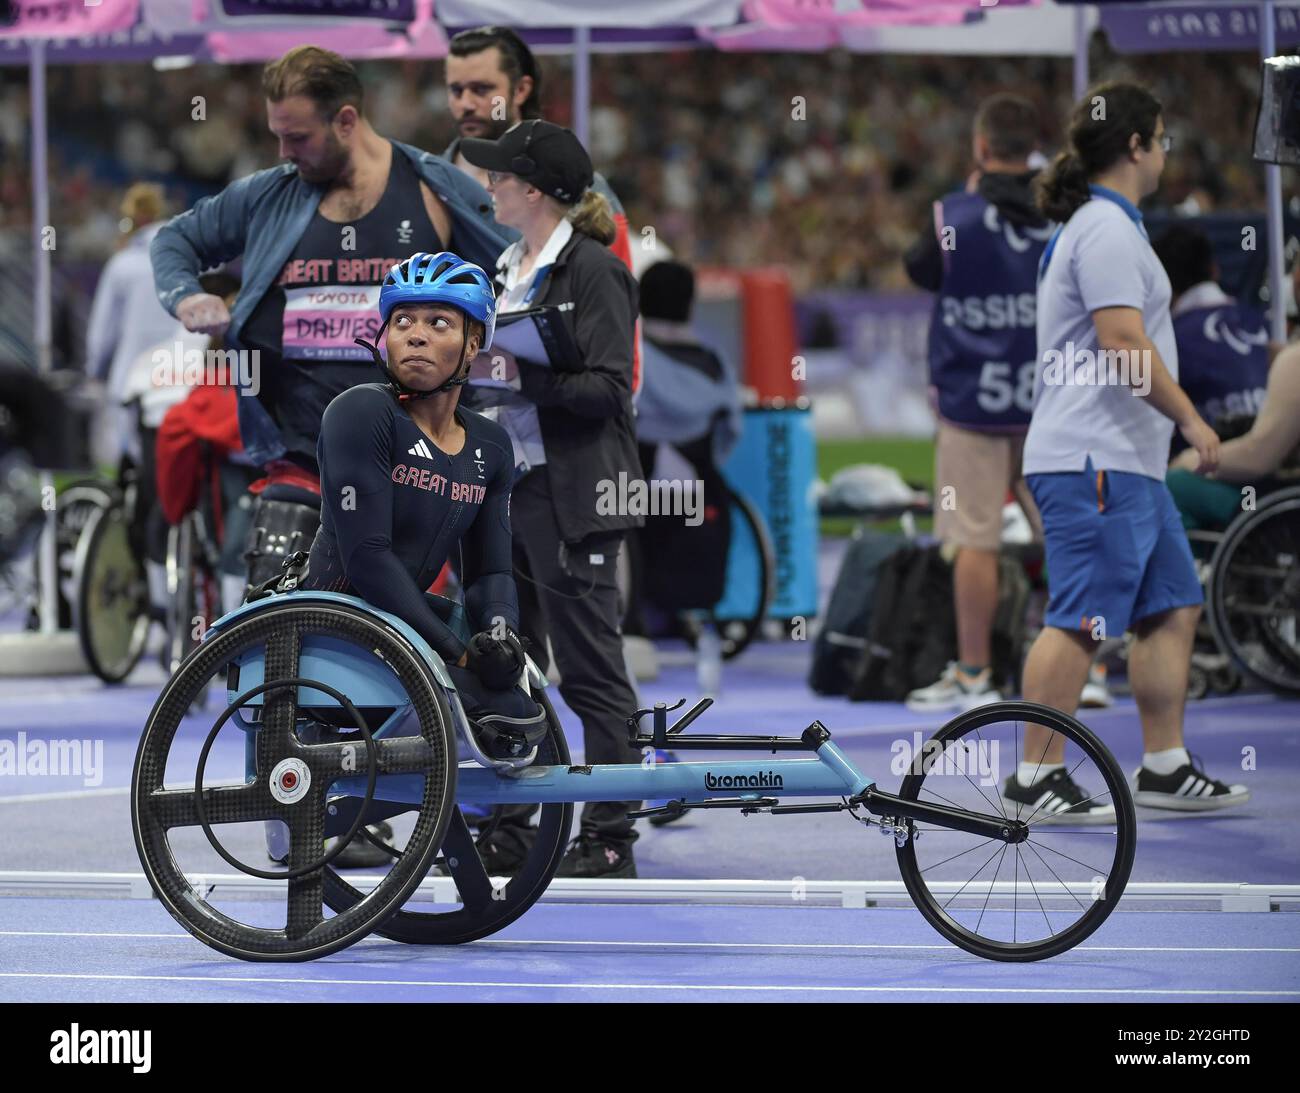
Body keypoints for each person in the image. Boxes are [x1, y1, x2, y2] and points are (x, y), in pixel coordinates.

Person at [150, 44, 512, 595]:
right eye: (278, 136)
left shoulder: (435, 189)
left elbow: (514, 271)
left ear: (345, 120)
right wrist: (186, 296)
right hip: (300, 456)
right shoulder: (270, 194)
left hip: (416, 465)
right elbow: (175, 239)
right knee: (269, 624)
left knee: (410, 631)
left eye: (297, 137)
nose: (284, 151)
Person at [1015, 81, 1247, 815]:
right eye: (1163, 138)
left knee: (1172, 604)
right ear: (1137, 145)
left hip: (1124, 460)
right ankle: (1034, 775)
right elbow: (1122, 343)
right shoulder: (1105, 230)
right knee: (1081, 619)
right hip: (1094, 458)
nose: (1168, 152)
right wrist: (1191, 420)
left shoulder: (1107, 225)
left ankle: (1163, 764)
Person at [460, 119, 645, 877]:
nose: (490, 184)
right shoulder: (506, 265)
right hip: (513, 491)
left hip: (574, 493)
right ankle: (512, 829)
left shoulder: (595, 270)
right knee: (509, 666)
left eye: (500, 175)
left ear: (533, 190)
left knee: (590, 669)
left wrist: (519, 375)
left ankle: (610, 835)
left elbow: (610, 389)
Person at [302, 250, 544, 756]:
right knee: (504, 711)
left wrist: (498, 636)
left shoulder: (491, 445)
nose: (416, 335)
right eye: (403, 321)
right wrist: (457, 654)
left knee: (518, 699)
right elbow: (367, 558)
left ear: (473, 343)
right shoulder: (361, 411)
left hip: (400, 629)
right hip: (333, 634)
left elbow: (491, 572)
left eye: (439, 323)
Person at [902, 94, 1055, 713]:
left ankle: (974, 674)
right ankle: (1086, 665)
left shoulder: (953, 216)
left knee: (975, 540)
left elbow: (919, 269)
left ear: (982, 146)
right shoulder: (1066, 212)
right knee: (1067, 534)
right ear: (1034, 149)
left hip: (973, 403)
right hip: (1051, 403)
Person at [1152, 222, 1272, 455]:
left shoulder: (1168, 342)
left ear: (1162, 282)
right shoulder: (1262, 324)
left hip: (1208, 463)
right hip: (1274, 460)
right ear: (1214, 269)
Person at [86, 182, 179, 469]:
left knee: (129, 465)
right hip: (178, 377)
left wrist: (95, 372)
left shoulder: (122, 265)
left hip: (130, 379)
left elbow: (103, 333)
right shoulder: (191, 260)